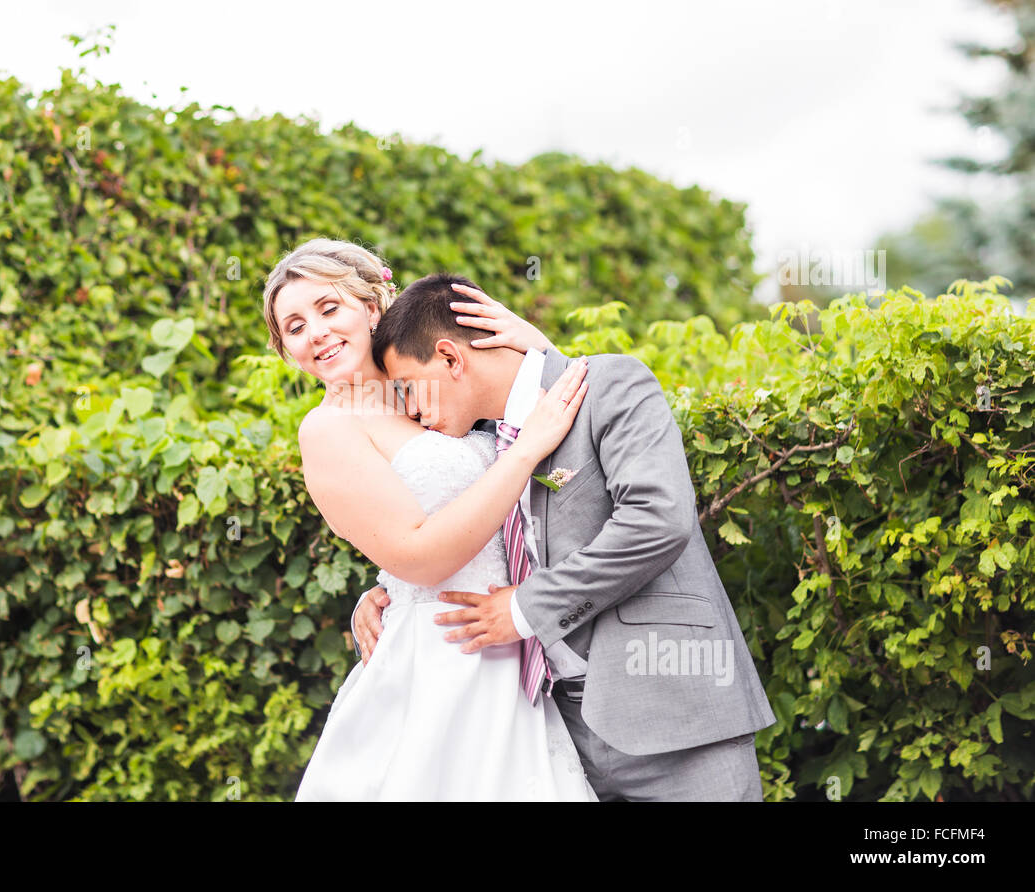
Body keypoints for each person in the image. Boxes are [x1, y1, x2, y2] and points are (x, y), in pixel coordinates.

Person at [357, 272, 779, 800]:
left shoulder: (610, 385)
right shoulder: (477, 444)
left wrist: (522, 609)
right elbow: (445, 538)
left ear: (450, 356)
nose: (410, 410)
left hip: (674, 713)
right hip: (552, 737)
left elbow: (657, 518)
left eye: (408, 388)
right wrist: (387, 594)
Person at [263, 238, 597, 800]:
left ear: (373, 307)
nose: (315, 332)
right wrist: (396, 578)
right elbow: (420, 556)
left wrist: (534, 344)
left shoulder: (432, 374)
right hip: (445, 654)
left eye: (328, 309)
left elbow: (538, 417)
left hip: (517, 640)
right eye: (293, 327)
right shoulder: (326, 429)